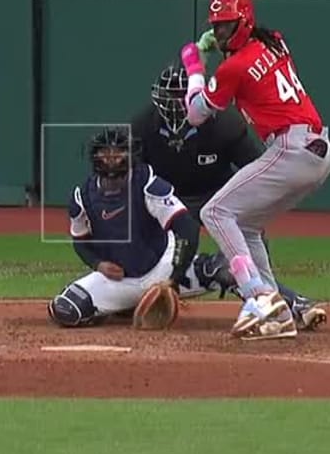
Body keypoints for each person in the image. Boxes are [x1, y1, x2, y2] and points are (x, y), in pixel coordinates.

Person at [180, 0, 330, 340]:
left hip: (292, 148)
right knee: (246, 226)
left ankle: (257, 297)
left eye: (225, 27)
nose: (220, 34)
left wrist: (195, 66)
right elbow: (255, 44)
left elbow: (195, 115)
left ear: (244, 23)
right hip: (317, 150)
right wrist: (225, 40)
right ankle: (274, 307)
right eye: (216, 28)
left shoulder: (233, 67)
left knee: (215, 212)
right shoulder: (274, 42)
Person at [131, 63, 327, 332]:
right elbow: (136, 182)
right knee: (139, 251)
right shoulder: (143, 127)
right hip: (169, 201)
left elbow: (255, 166)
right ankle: (137, 292)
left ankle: (288, 303)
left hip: (216, 195)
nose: (177, 104)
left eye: (182, 96)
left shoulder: (225, 125)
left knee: (237, 255)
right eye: (170, 96)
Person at [47, 127, 211, 328]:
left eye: (118, 154)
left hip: (163, 269)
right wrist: (98, 264)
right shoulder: (83, 196)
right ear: (95, 157)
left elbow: (188, 229)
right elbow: (80, 242)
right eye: (105, 154)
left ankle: (257, 309)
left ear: (129, 156)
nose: (111, 160)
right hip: (119, 281)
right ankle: (125, 306)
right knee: (65, 309)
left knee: (223, 269)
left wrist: (173, 279)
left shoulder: (147, 184)